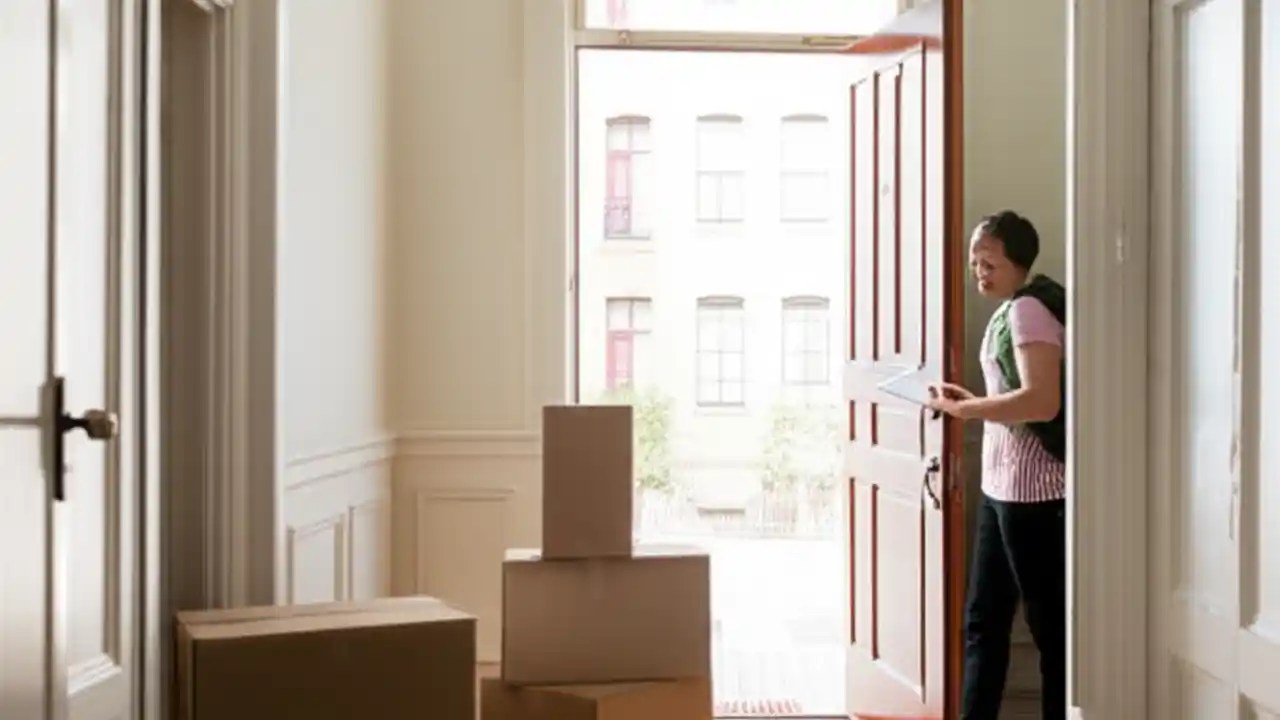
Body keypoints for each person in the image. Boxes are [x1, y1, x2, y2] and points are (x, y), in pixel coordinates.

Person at [928, 210, 1066, 720]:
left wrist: (966, 411)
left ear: (1017, 263)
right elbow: (1014, 397)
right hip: (1000, 488)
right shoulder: (1009, 312)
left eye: (989, 262)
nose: (979, 272)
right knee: (984, 621)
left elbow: (1040, 402)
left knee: (1050, 631)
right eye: (974, 263)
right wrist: (969, 400)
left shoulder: (1028, 311)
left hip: (1035, 495)